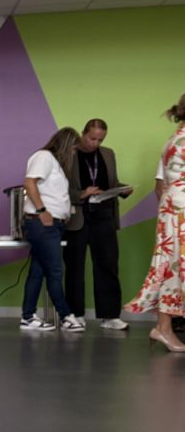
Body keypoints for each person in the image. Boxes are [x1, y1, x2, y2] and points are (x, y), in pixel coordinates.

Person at [125, 95, 185, 352]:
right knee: (174, 265)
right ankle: (162, 327)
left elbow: (161, 187)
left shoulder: (174, 138)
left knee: (171, 265)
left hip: (172, 207)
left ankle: (163, 326)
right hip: (181, 208)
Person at [65, 119, 131, 330]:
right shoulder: (68, 154)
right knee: (75, 267)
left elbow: (110, 183)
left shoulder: (108, 154)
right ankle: (75, 314)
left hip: (104, 216)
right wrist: (82, 194)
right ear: (83, 134)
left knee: (108, 265)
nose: (95, 143)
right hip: (78, 216)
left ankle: (110, 316)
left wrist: (122, 189)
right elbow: (58, 189)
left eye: (100, 139)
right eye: (91, 138)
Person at [20, 128, 86, 332]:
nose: (74, 154)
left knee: (38, 271)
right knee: (55, 271)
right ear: (67, 145)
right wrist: (42, 211)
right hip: (43, 224)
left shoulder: (54, 164)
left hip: (53, 225)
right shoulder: (44, 157)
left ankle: (28, 316)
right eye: (74, 149)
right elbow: (29, 183)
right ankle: (67, 316)